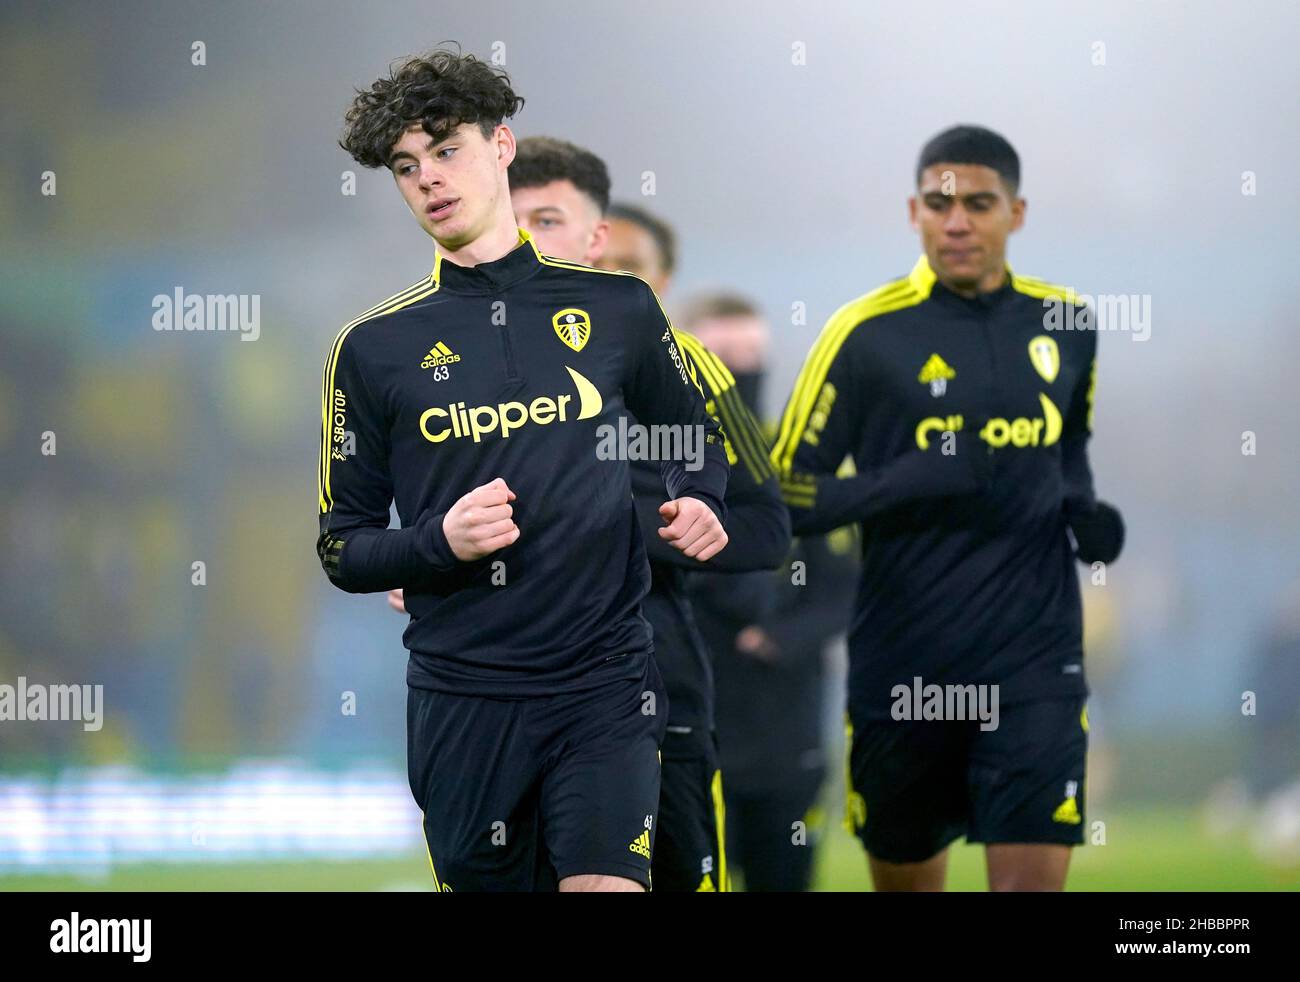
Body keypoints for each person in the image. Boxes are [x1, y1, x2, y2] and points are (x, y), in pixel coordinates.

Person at [319, 49, 729, 892]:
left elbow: (690, 439)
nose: (428, 179)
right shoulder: (372, 349)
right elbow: (342, 548)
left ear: (502, 146)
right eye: (406, 167)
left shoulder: (618, 309)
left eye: (446, 149)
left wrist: (699, 502)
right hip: (464, 706)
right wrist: (438, 541)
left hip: (606, 685)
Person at [770, 124, 1124, 891]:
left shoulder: (1067, 323)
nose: (956, 220)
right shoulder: (862, 333)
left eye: (979, 203)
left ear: (1017, 213)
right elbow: (783, 497)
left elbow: (1069, 451)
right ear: (914, 210)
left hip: (1037, 661)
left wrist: (1087, 513)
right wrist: (907, 478)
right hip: (907, 666)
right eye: (939, 203)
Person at [509, 139, 789, 889]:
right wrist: (424, 552)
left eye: (628, 268)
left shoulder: (691, 373)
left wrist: (666, 530)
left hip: (661, 682)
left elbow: (767, 527)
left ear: (662, 282)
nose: (606, 279)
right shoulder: (472, 369)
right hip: (508, 694)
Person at [684, 293, 857, 891]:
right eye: (724, 356)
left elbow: (845, 591)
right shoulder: (656, 456)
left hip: (788, 728)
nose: (742, 370)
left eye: (752, 355)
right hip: (684, 718)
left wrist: (782, 636)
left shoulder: (802, 462)